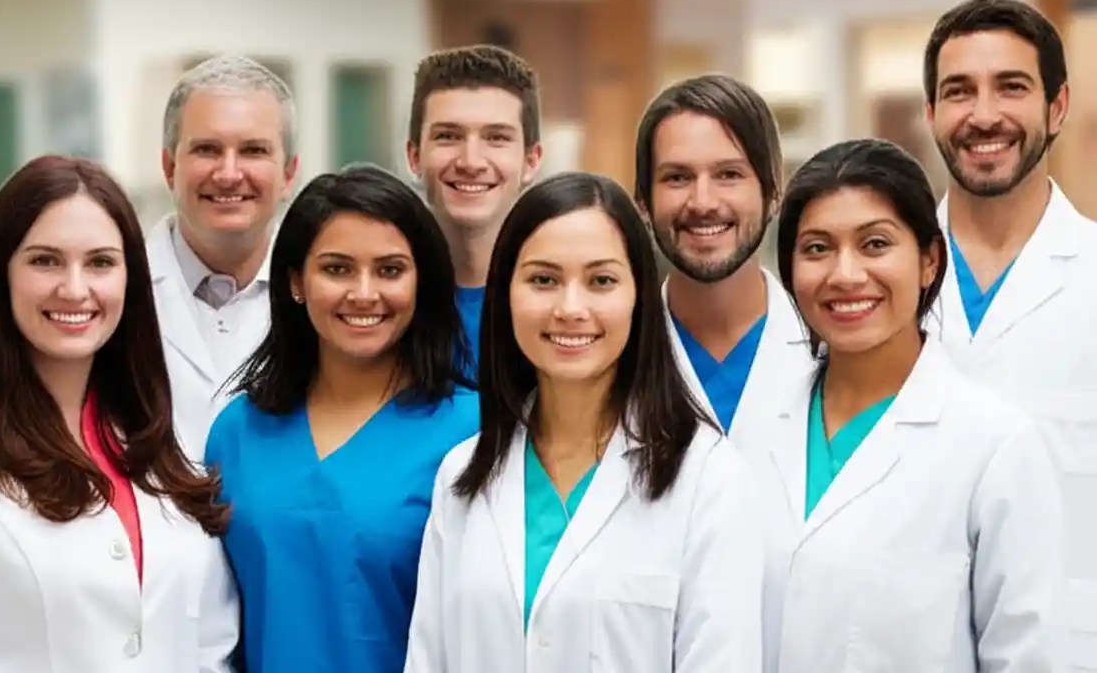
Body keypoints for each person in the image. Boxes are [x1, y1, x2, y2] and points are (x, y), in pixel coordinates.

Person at [0, 156, 239, 671]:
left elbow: (211, 646)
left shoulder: (157, 442)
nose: (75, 289)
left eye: (101, 263)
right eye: (45, 261)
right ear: (1, 274)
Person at [405, 172, 764, 673]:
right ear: (505, 294)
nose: (570, 308)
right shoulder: (462, 477)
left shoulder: (708, 479)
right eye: (543, 280)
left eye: (601, 281)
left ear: (639, 296)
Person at [751, 138, 1065, 672]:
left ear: (928, 261)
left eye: (875, 244)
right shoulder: (753, 431)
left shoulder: (994, 446)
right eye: (817, 249)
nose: (845, 274)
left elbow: (1028, 657)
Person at [204, 165, 478, 672]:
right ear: (296, 281)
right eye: (337, 269)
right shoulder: (237, 433)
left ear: (422, 282)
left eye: (390, 270)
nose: (364, 293)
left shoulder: (473, 434)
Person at [922, 0, 1097, 667]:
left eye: (1012, 87)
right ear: (932, 114)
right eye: (959, 91)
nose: (984, 114)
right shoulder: (877, 284)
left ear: (1057, 107)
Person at [634, 74, 812, 440]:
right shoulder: (616, 357)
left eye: (729, 174)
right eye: (677, 177)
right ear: (643, 201)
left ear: (774, 191)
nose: (703, 203)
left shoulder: (827, 350)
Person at [148, 54, 299, 460]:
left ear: (289, 173)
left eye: (253, 150)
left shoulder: (320, 297)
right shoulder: (117, 291)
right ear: (169, 167)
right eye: (207, 149)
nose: (229, 174)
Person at [406, 44, 544, 363]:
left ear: (531, 160)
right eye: (448, 136)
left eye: (496, 138)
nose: (471, 162)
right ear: (414, 156)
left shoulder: (562, 307)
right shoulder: (381, 302)